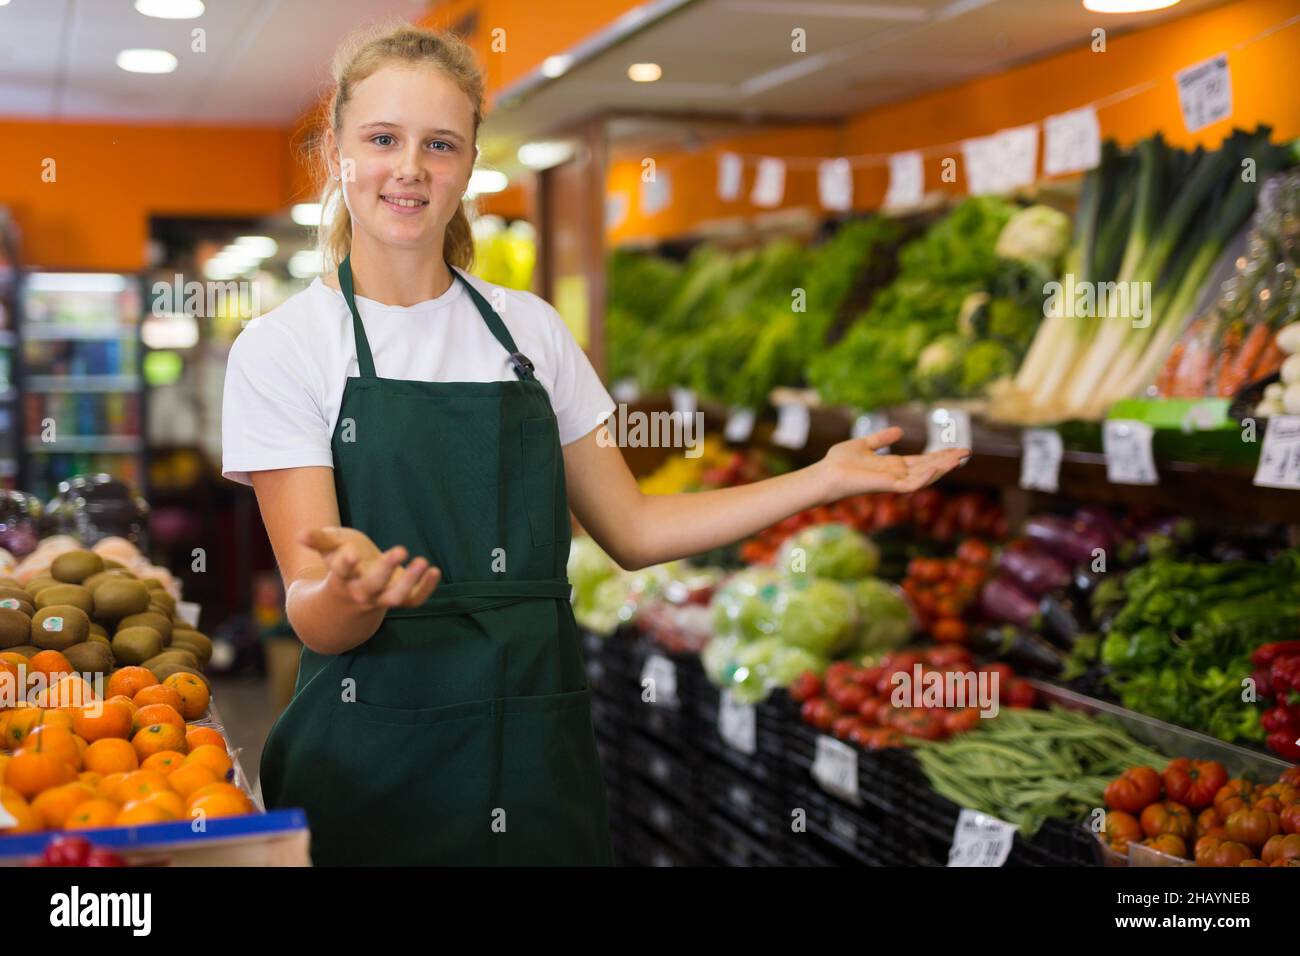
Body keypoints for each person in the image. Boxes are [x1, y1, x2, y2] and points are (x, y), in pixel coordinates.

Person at [220, 23, 968, 866]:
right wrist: (355, 592)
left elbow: (635, 529)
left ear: (469, 162)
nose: (410, 168)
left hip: (534, 751)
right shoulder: (286, 346)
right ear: (336, 151)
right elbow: (315, 614)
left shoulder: (529, 332)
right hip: (372, 756)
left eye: (441, 144)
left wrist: (822, 478)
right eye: (382, 138)